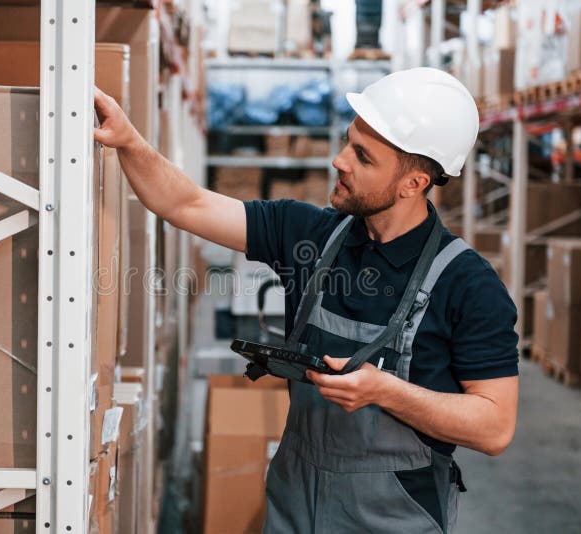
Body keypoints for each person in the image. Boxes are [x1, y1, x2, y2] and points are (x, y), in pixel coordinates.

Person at [94, 67, 519, 533]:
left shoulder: (467, 284)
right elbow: (186, 204)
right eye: (347, 141)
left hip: (395, 517)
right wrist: (130, 141)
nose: (339, 160)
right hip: (294, 504)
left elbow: (495, 427)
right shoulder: (310, 236)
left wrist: (385, 391)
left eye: (363, 156)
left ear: (413, 183)